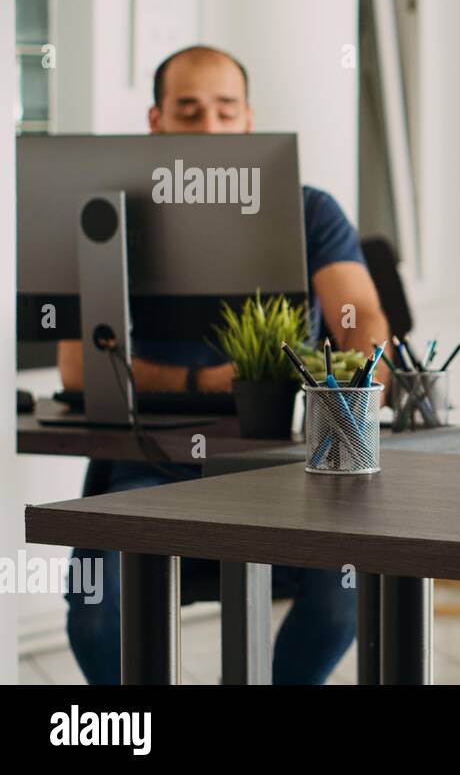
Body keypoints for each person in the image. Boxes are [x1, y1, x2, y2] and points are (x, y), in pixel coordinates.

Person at [60, 45, 391, 685]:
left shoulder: (311, 211)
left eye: (224, 111)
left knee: (345, 594)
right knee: (99, 609)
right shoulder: (115, 217)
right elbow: (77, 369)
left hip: (292, 474)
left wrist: (358, 363)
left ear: (249, 121)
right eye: (189, 112)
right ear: (157, 122)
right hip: (148, 471)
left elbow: (361, 318)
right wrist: (201, 384)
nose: (209, 127)